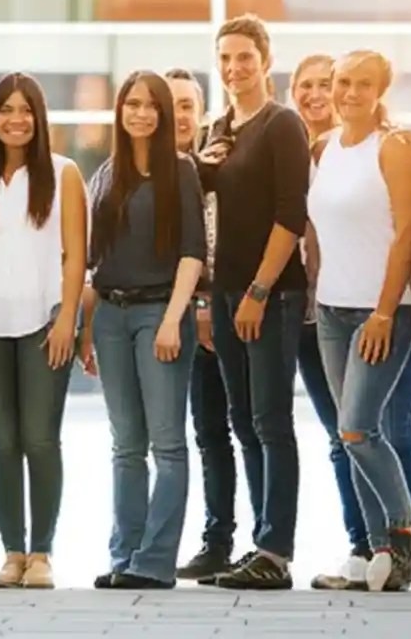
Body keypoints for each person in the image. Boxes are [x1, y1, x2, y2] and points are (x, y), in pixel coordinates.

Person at [289, 55, 411, 591]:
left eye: (359, 84)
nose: (347, 92)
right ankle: (380, 557)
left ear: (380, 90)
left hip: (381, 311)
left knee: (357, 427)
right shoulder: (324, 149)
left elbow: (408, 230)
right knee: (350, 437)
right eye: (342, 82)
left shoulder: (392, 147)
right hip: (331, 310)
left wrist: (385, 311)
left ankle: (404, 531)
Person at [0, 72, 87, 589]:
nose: (16, 120)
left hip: (43, 323)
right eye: (6, 110)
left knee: (41, 438)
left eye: (25, 110)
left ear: (39, 118)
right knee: (2, 440)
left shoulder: (64, 173)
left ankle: (42, 554)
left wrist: (67, 320)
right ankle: (12, 552)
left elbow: (76, 256)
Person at [196, 15, 311, 590]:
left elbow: (291, 216)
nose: (234, 68)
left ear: (265, 61)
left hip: (272, 294)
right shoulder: (219, 131)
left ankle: (277, 550)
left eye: (244, 57)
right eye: (224, 58)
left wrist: (258, 292)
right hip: (224, 295)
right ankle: (257, 545)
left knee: (270, 420)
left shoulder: (282, 125)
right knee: (242, 420)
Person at [86, 70, 205, 590]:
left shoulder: (180, 170)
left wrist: (174, 319)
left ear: (162, 114)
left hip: (160, 314)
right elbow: (94, 260)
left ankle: (155, 563)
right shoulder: (108, 173)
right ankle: (125, 557)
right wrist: (86, 329)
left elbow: (193, 252)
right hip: (110, 316)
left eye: (150, 105)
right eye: (131, 103)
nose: (140, 112)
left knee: (167, 445)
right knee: (125, 446)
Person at [166, 68, 237, 583]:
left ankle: (247, 542)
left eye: (187, 105)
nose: (178, 115)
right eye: (169, 105)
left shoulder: (218, 165)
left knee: (244, 431)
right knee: (206, 432)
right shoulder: (155, 170)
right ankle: (215, 543)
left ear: (200, 111)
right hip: (173, 318)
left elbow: (217, 243)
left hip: (221, 312)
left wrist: (207, 303)